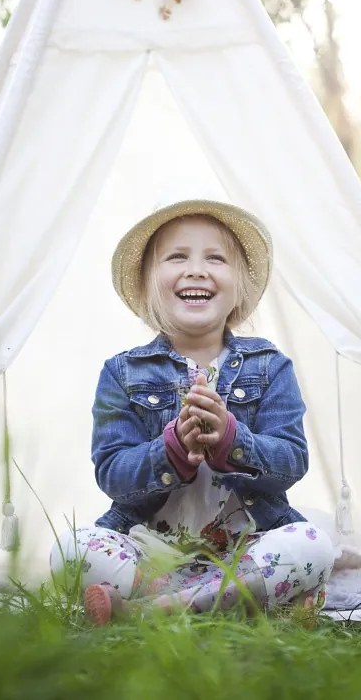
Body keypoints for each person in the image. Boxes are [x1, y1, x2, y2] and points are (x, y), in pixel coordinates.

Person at [51, 198, 337, 623]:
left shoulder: (271, 366)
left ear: (239, 286)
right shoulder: (121, 372)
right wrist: (171, 451)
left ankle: (158, 612)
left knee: (314, 542)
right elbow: (112, 472)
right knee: (69, 552)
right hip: (152, 553)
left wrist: (230, 440)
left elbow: (292, 460)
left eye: (215, 259)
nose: (196, 269)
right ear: (150, 284)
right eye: (177, 257)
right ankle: (222, 601)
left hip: (249, 545)